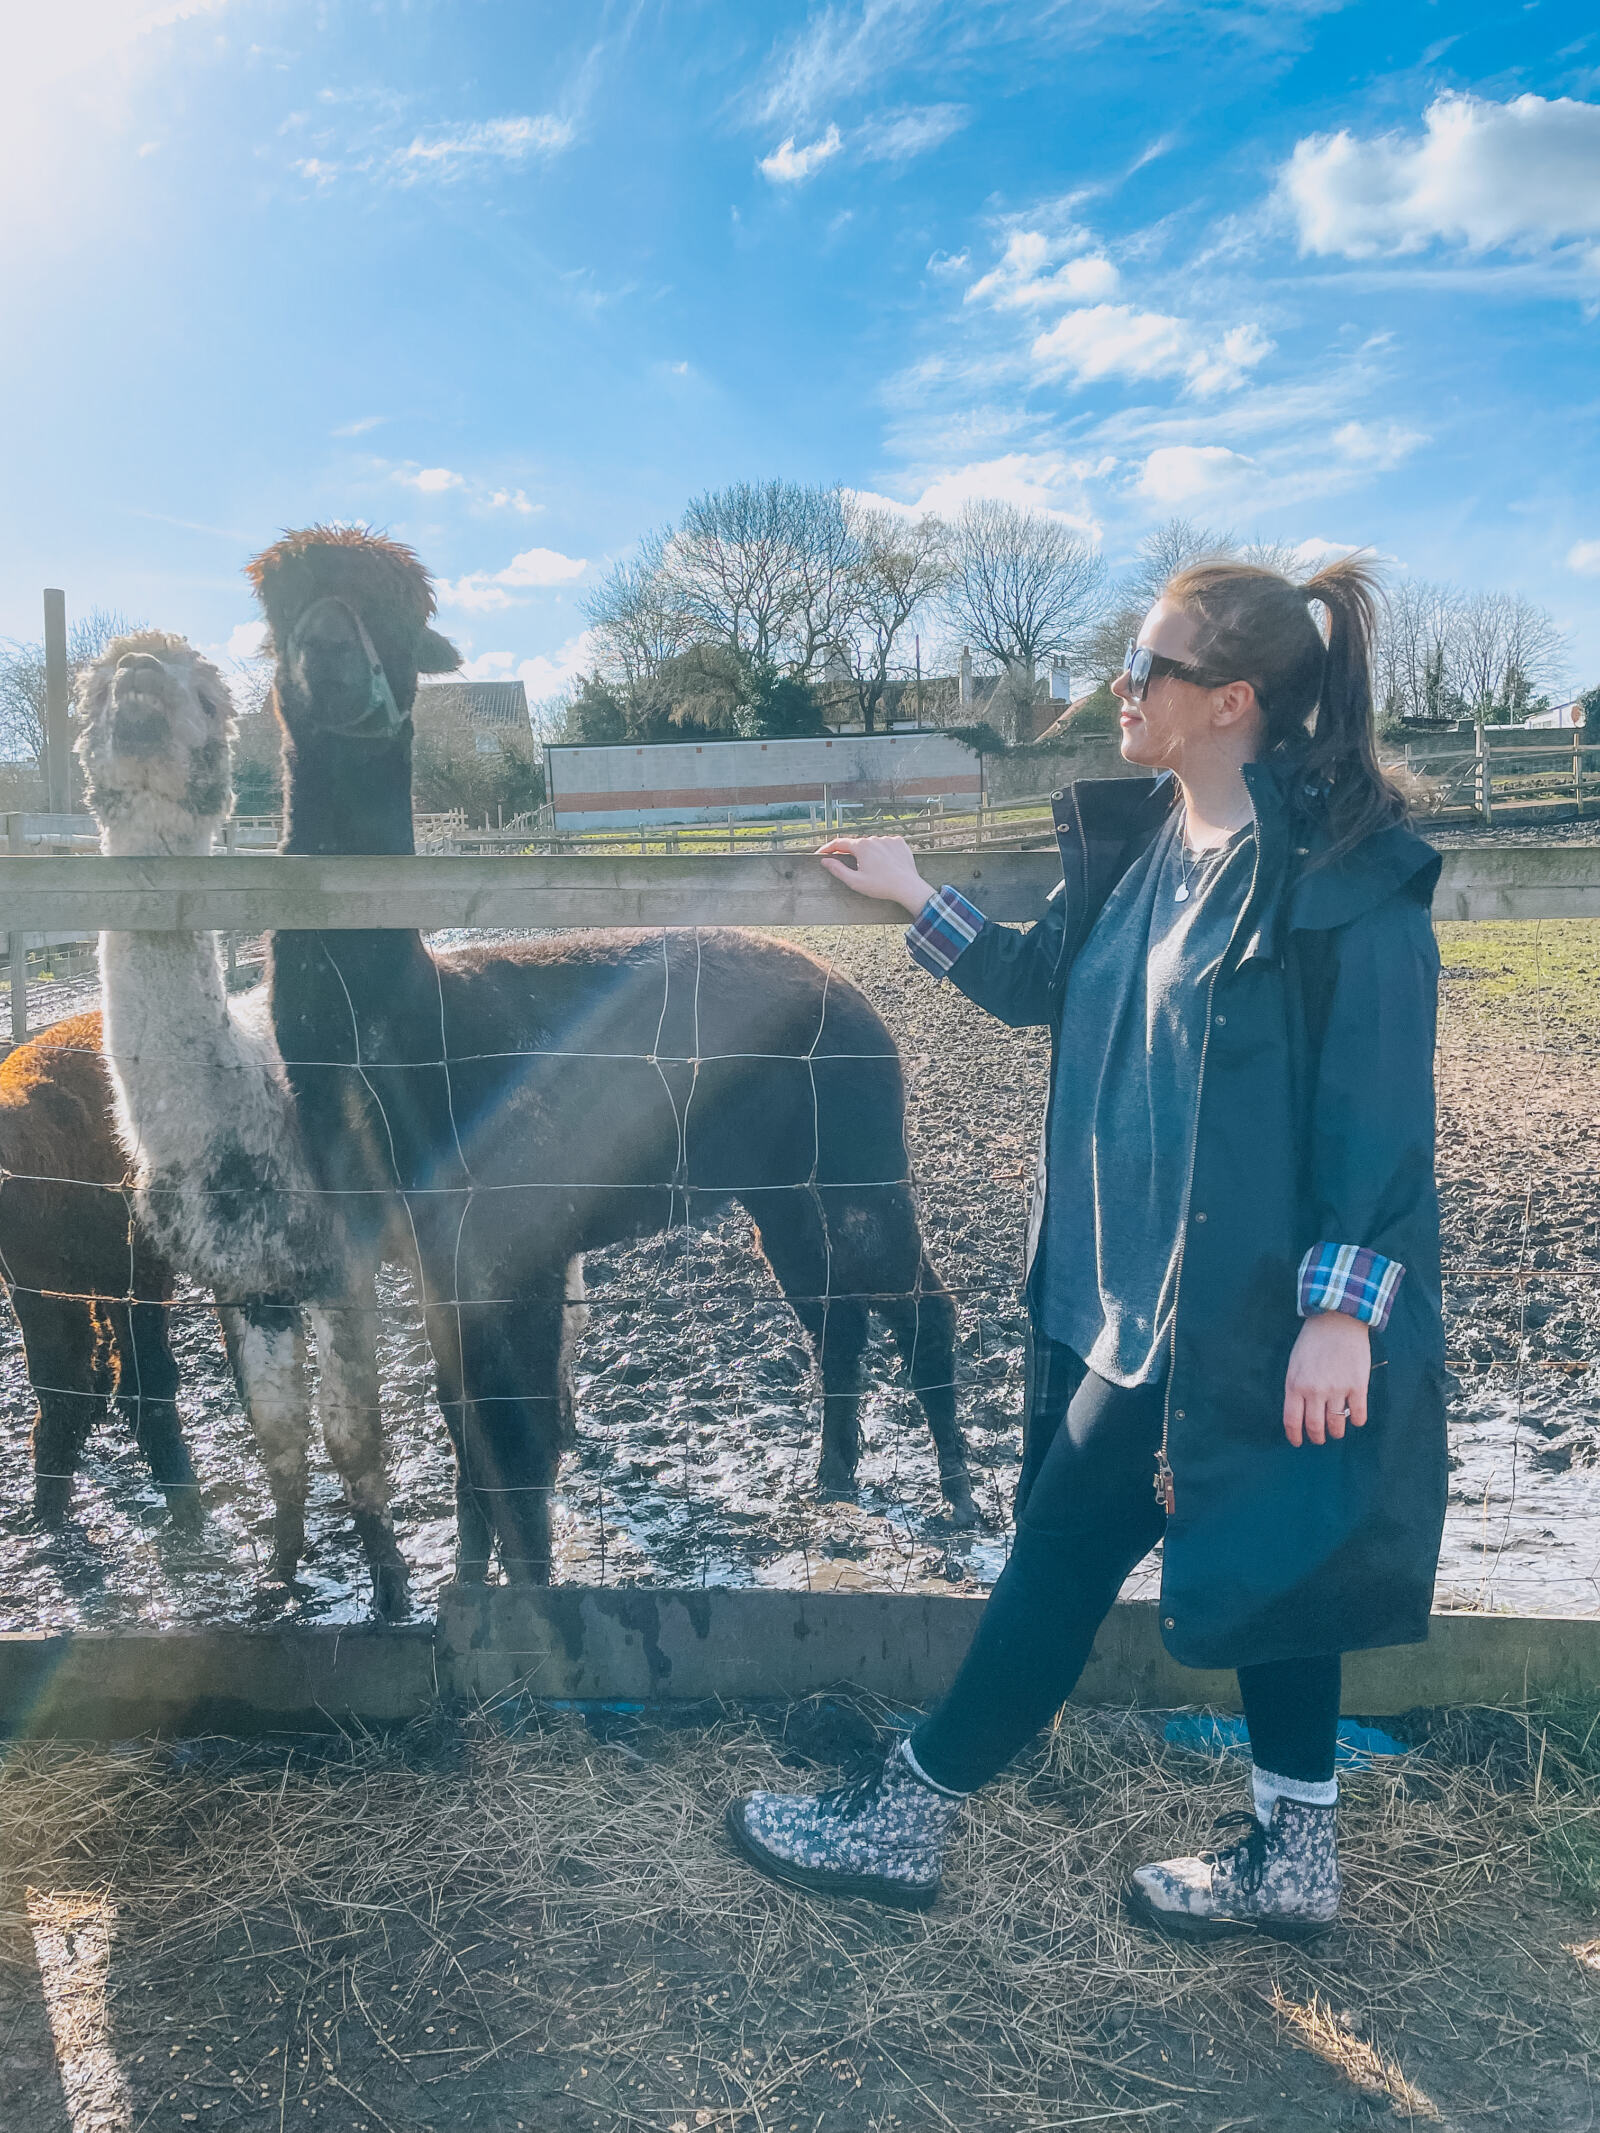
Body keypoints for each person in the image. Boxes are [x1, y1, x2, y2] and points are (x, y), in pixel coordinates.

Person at [724, 556, 1447, 1941]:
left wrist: (1342, 1307)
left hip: (1233, 1304)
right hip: (1111, 1283)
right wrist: (911, 892)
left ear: (1230, 698)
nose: (1116, 689)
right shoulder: (1143, 847)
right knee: (1270, 1545)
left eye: (1145, 668)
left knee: (1061, 1547)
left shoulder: (1345, 876)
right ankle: (1295, 1853)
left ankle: (908, 1813)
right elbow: (1039, 980)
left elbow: (1379, 1100)